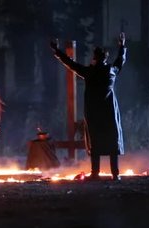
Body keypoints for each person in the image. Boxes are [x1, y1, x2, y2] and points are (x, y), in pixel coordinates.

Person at [50, 32, 127, 181]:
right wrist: (122, 46)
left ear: (95, 57)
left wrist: (57, 51)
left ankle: (95, 172)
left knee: (95, 139)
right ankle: (115, 173)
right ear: (105, 58)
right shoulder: (111, 71)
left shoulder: (89, 72)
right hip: (109, 110)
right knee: (112, 140)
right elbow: (120, 60)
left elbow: (71, 64)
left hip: (94, 111)